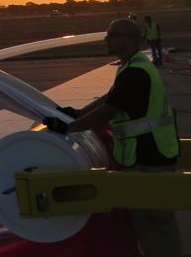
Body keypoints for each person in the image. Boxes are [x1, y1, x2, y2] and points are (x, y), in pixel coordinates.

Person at [43, 18, 181, 257]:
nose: (106, 39)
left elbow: (110, 111)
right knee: (149, 222)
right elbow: (111, 98)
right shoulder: (130, 66)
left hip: (149, 157)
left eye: (111, 35)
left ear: (128, 40)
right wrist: (78, 113)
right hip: (146, 155)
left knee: (155, 224)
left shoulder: (136, 72)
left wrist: (69, 128)